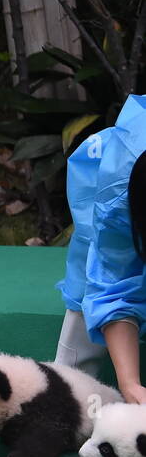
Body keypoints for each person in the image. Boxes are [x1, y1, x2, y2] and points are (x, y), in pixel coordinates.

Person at [56, 94, 146, 405]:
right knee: (91, 274)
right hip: (116, 183)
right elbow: (113, 284)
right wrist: (130, 383)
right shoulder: (115, 202)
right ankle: (70, 392)